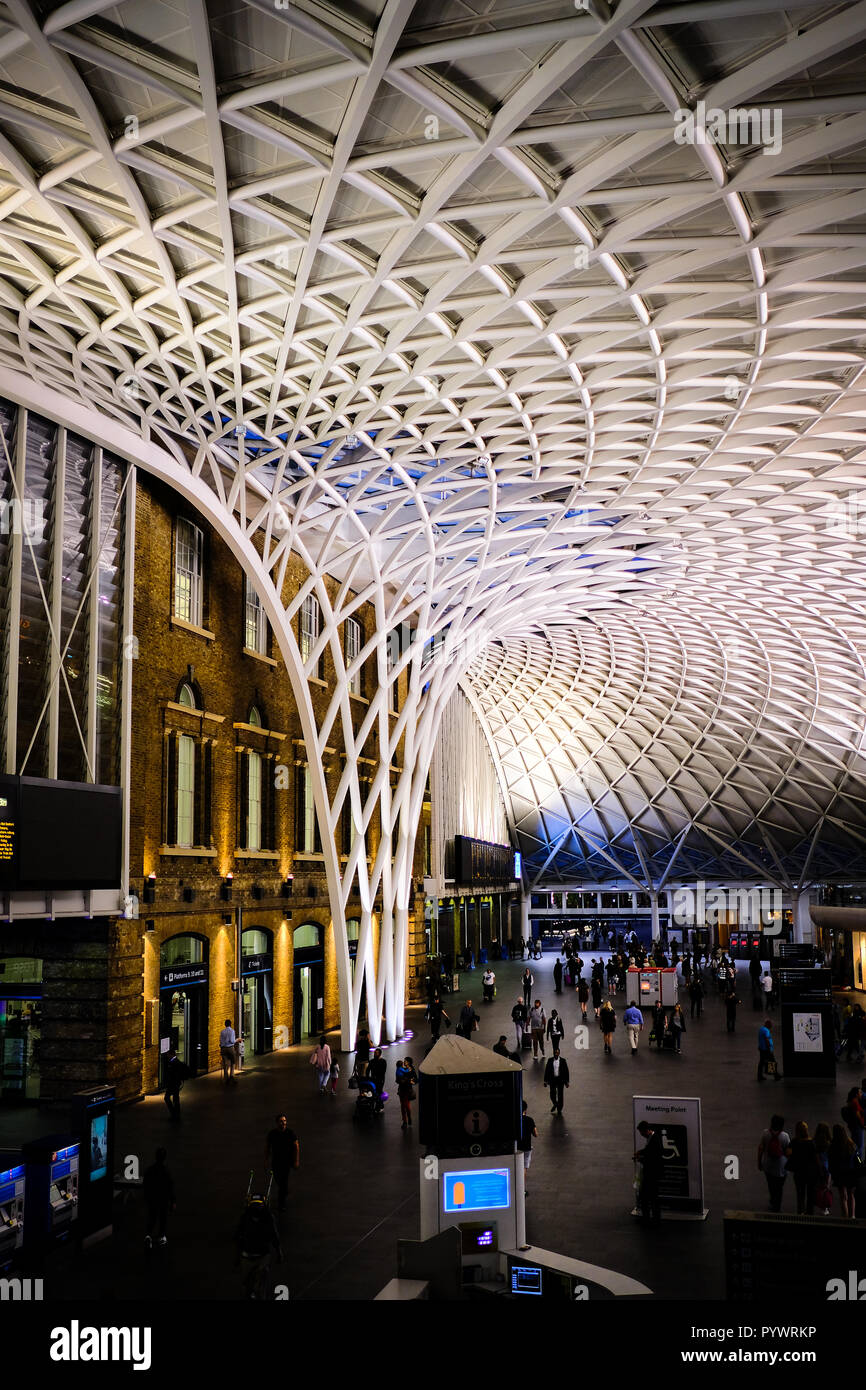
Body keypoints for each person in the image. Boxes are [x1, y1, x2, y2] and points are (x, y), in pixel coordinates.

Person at [236, 1192, 282, 1299]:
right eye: (254, 1205)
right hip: (246, 1256)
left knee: (262, 1284)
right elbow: (238, 1236)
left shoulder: (269, 1218)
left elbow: (274, 1235)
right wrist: (237, 1256)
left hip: (263, 1256)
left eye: (259, 1205)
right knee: (246, 1285)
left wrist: (279, 1251)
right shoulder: (244, 1218)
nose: (256, 1208)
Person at [265, 1113, 299, 1214]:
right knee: (277, 1180)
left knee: (283, 1182)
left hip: (286, 1162)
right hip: (276, 1162)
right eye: (281, 1121)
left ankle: (281, 1204)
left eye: (284, 1121)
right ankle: (284, 1191)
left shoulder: (290, 1133)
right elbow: (267, 1147)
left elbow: (296, 1146)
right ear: (277, 1123)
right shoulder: (272, 1134)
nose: (283, 1123)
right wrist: (266, 1160)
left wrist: (296, 1161)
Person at [757, 1114, 791, 1212]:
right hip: (781, 1167)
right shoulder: (785, 1136)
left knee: (771, 1185)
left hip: (768, 1166)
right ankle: (777, 1205)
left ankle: (772, 1200)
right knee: (779, 1187)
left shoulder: (765, 1133)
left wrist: (759, 1162)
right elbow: (788, 1152)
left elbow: (760, 1149)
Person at [143, 1147, 175, 1249]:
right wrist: (173, 1201)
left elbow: (145, 1185)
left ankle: (148, 1236)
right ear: (165, 1158)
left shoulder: (150, 1170)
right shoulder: (167, 1172)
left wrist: (147, 1197)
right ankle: (161, 1237)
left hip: (152, 1199)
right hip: (163, 1200)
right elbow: (170, 1187)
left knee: (151, 1217)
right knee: (162, 1219)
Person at [787, 1120, 819, 1216]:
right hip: (811, 1173)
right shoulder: (811, 1142)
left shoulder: (794, 1142)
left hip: (799, 1172)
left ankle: (800, 1212)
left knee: (800, 1194)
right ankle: (810, 1214)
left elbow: (788, 1153)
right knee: (810, 1195)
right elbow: (816, 1159)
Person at [634, 1120, 663, 1223]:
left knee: (648, 1196)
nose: (641, 1135)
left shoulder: (655, 1140)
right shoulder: (652, 1138)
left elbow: (652, 1157)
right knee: (650, 1196)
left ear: (646, 1131)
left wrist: (640, 1158)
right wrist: (641, 1152)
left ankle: (650, 1218)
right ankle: (652, 1218)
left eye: (641, 1133)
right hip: (651, 1173)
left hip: (652, 1173)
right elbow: (648, 1151)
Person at [829, 1123, 858, 1218]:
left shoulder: (833, 1145)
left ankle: (845, 1217)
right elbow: (857, 1159)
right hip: (851, 1173)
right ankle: (852, 1216)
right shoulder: (851, 1144)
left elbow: (831, 1161)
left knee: (843, 1196)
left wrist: (832, 1172)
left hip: (840, 1174)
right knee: (851, 1194)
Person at [163, 1049, 188, 1121]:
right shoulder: (176, 1062)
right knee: (175, 1099)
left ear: (171, 1055)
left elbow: (174, 1075)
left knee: (168, 1098)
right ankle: (176, 1115)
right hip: (176, 1084)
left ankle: (174, 1114)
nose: (167, 1056)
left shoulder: (174, 1063)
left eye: (168, 1054)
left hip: (173, 1084)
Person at [842, 1086, 865, 1161]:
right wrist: (863, 1125)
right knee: (860, 1146)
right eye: (860, 1092)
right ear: (856, 1094)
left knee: (854, 1144)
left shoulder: (851, 1101)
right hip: (857, 1127)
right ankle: (858, 1161)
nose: (861, 1094)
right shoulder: (855, 1103)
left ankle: (852, 1160)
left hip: (853, 1126)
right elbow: (858, 1117)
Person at [543, 1047, 569, 1114]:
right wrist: (545, 1080)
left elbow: (566, 1071)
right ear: (553, 1053)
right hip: (552, 1079)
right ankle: (555, 1104)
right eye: (555, 1053)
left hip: (560, 1080)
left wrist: (566, 1082)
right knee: (552, 1094)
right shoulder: (550, 1060)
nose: (556, 1054)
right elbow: (547, 1070)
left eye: (557, 1053)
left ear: (559, 1053)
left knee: (560, 1095)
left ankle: (559, 1109)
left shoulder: (563, 1061)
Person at [520, 1100, 538, 1195]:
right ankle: (521, 1189)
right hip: (526, 1147)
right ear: (525, 1109)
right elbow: (536, 1134)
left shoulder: (514, 1119)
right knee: (523, 1168)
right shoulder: (529, 1120)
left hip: (516, 1147)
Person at [396, 1057, 418, 1129]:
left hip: (407, 1090)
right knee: (403, 1106)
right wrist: (408, 1080)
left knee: (406, 1106)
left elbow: (416, 1080)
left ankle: (408, 1117)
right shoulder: (403, 1069)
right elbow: (398, 1079)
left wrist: (411, 1081)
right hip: (401, 1089)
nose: (404, 1062)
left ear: (409, 1062)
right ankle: (405, 1121)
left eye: (405, 1061)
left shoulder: (412, 1070)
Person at [219, 1018, 237, 1082]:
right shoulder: (232, 1031)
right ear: (230, 1024)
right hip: (230, 1048)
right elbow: (232, 1041)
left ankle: (226, 1078)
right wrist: (237, 1040)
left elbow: (220, 1041)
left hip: (223, 1048)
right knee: (233, 1061)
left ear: (225, 1024)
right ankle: (231, 1075)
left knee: (225, 1064)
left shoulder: (222, 1031)